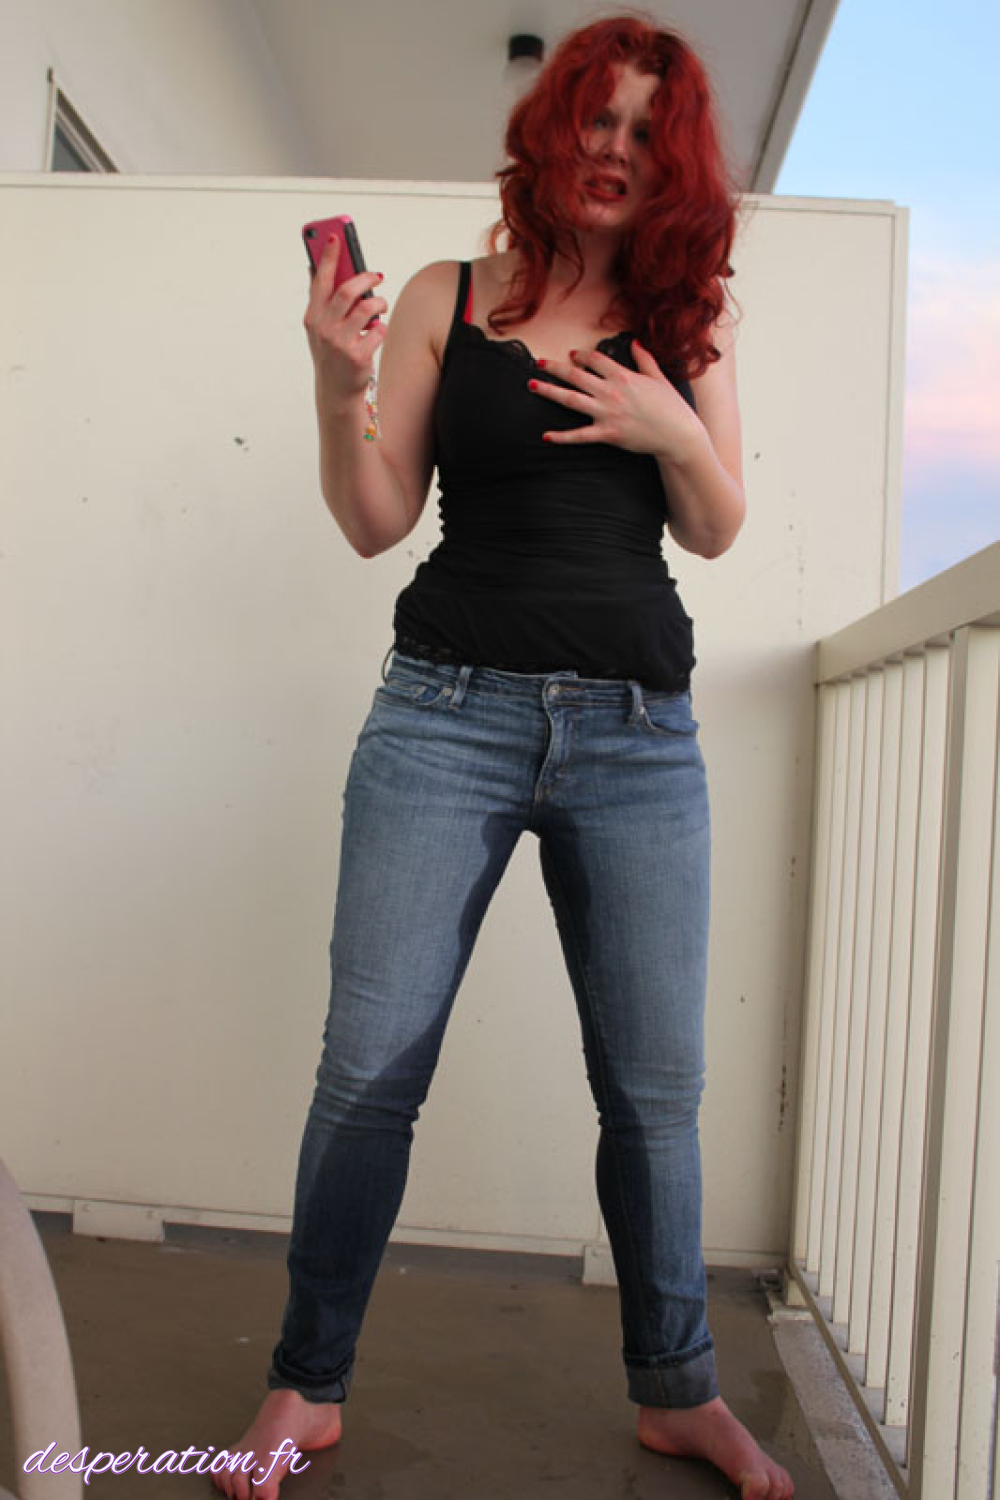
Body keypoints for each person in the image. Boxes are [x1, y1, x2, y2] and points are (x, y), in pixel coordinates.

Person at [215, 15, 794, 1500]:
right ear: (553, 128)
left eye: (646, 130)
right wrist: (336, 385)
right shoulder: (444, 296)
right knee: (367, 1072)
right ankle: (307, 1384)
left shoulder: (687, 315)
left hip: (637, 739)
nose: (615, 148)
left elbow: (718, 526)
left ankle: (680, 1391)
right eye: (597, 116)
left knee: (654, 1090)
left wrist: (669, 424)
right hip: (445, 717)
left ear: (674, 162)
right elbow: (374, 520)